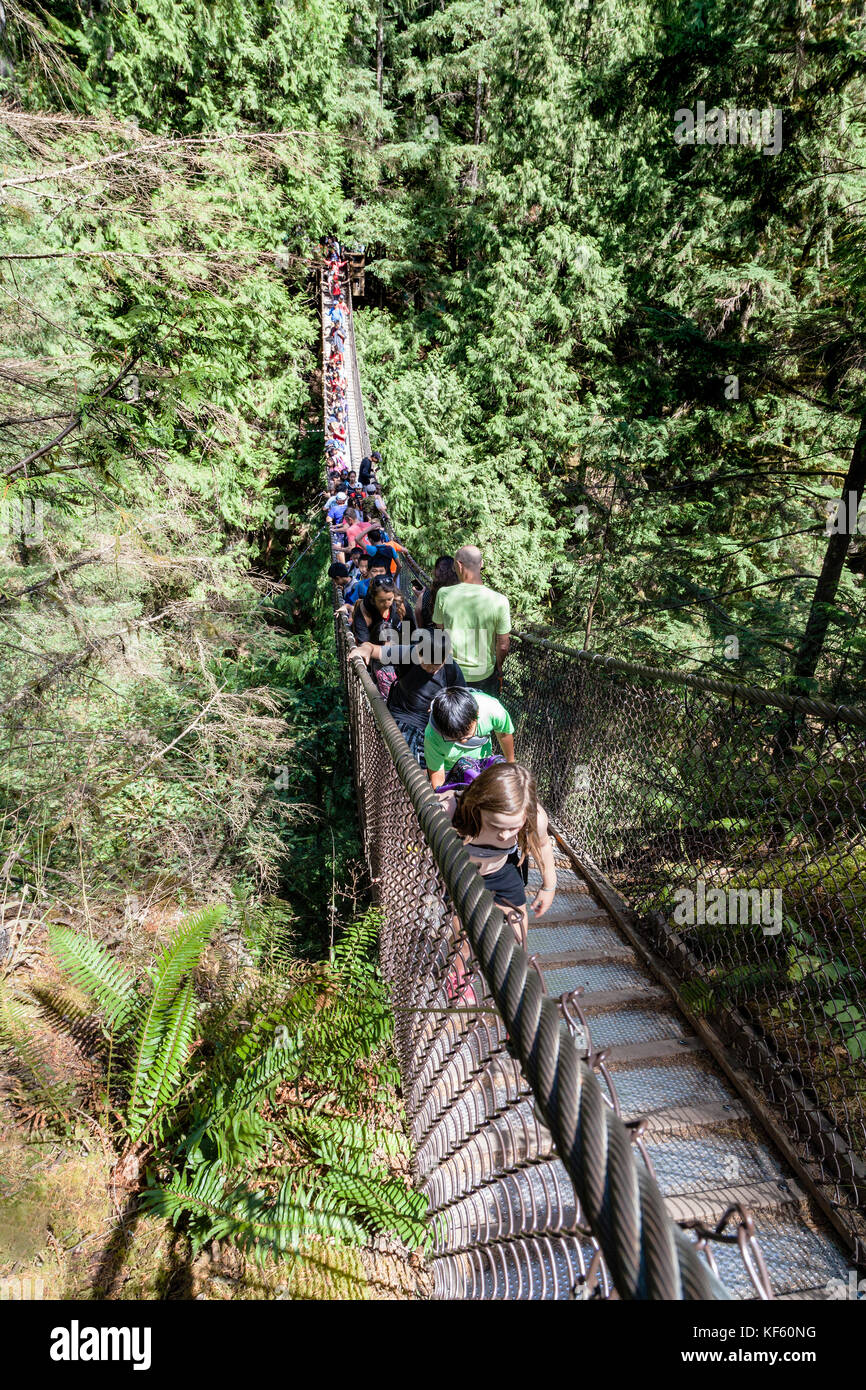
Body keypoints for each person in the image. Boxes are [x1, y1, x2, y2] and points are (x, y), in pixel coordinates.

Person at [438, 763, 557, 953]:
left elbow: (542, 845)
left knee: (517, 917)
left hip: (500, 869)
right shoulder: (451, 809)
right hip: (459, 873)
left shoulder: (535, 818)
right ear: (477, 805)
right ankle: (458, 974)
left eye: (513, 828)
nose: (504, 835)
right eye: (495, 826)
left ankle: (514, 962)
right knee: (465, 931)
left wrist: (548, 887)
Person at [351, 631, 465, 767]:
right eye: (426, 664)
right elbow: (374, 649)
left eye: (436, 666)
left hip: (432, 725)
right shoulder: (408, 654)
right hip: (401, 716)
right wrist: (365, 649)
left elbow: (461, 698)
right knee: (402, 761)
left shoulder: (451, 670)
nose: (430, 670)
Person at [432, 545, 510, 696]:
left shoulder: (444, 594)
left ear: (459, 565)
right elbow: (503, 645)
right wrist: (498, 667)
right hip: (484, 674)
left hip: (451, 671)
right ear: (481, 564)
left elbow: (440, 630)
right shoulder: (500, 601)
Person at [423, 686, 515, 789]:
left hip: (482, 763)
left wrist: (511, 764)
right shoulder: (433, 735)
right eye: (454, 737)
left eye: (467, 735)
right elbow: (438, 777)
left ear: (477, 715)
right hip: (451, 772)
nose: (463, 741)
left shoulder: (493, 710)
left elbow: (504, 734)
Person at [416, 554, 457, 630]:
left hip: (430, 638)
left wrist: (420, 597)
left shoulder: (426, 596)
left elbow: (420, 626)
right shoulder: (461, 593)